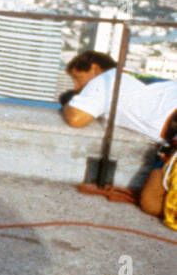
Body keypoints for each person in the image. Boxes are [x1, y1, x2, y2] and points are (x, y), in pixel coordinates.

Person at [61, 51, 177, 221]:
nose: (77, 87)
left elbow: (76, 119)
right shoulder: (128, 74)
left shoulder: (104, 80)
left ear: (94, 68)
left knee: (154, 205)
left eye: (78, 78)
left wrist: (68, 101)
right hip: (170, 141)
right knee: (150, 203)